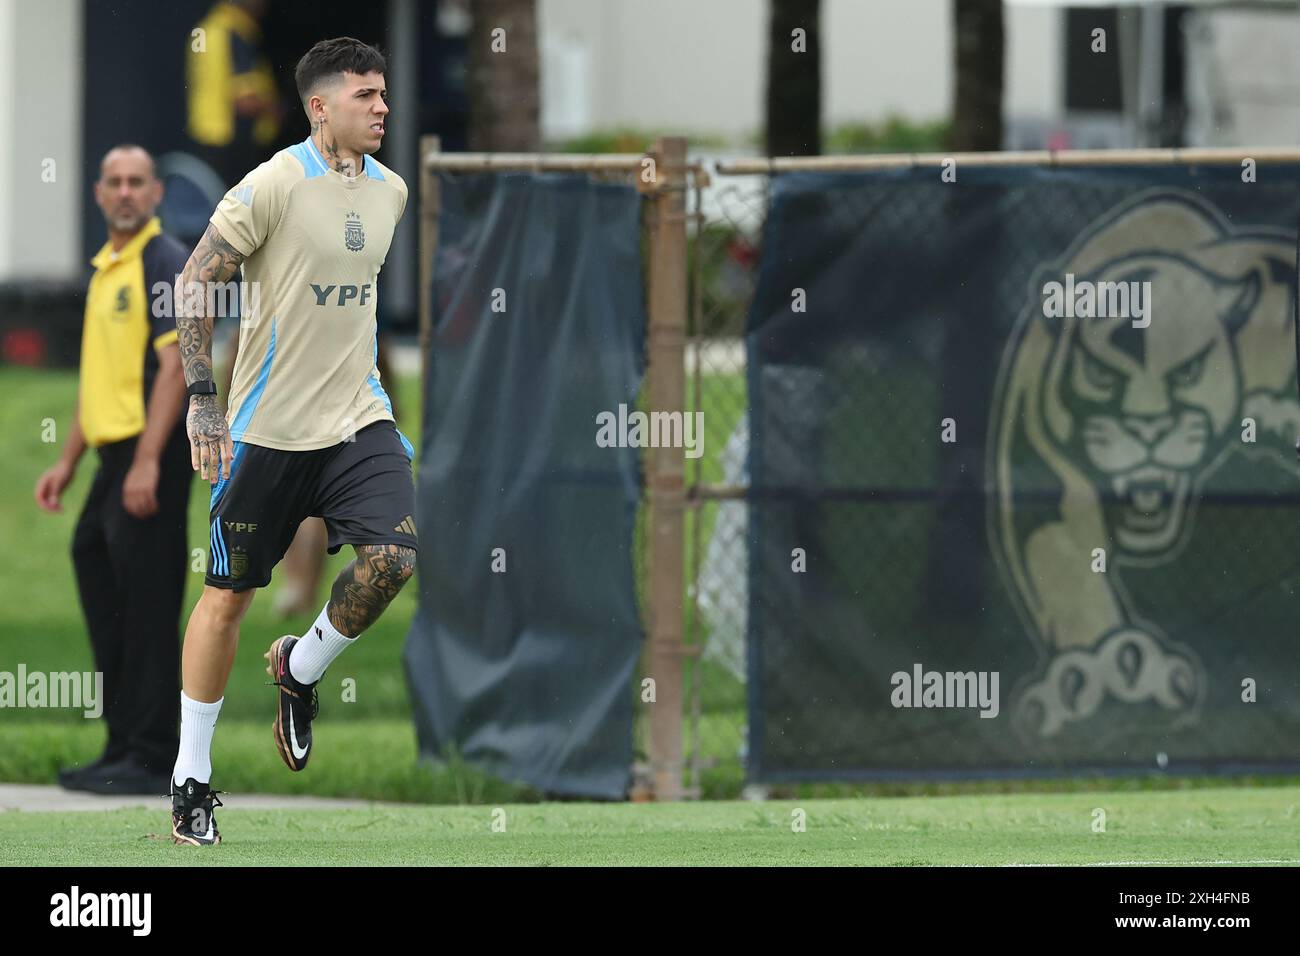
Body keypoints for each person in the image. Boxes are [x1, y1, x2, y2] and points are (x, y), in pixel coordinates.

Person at [168, 37, 416, 846]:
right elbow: (196, 276)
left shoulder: (392, 191)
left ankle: (300, 669)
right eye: (365, 96)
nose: (381, 107)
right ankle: (191, 779)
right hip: (265, 433)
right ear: (320, 107)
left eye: (384, 95)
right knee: (227, 598)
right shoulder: (274, 182)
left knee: (395, 559)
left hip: (358, 421)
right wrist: (203, 397)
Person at [34, 146, 192, 795]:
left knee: (148, 602)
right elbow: (99, 378)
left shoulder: (164, 261)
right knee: (97, 565)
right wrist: (68, 461)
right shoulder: (106, 269)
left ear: (156, 193)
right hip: (111, 456)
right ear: (99, 194)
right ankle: (123, 741)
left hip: (148, 454)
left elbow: (177, 366)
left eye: (137, 182)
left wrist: (149, 461)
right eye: (114, 182)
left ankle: (155, 755)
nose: (125, 192)